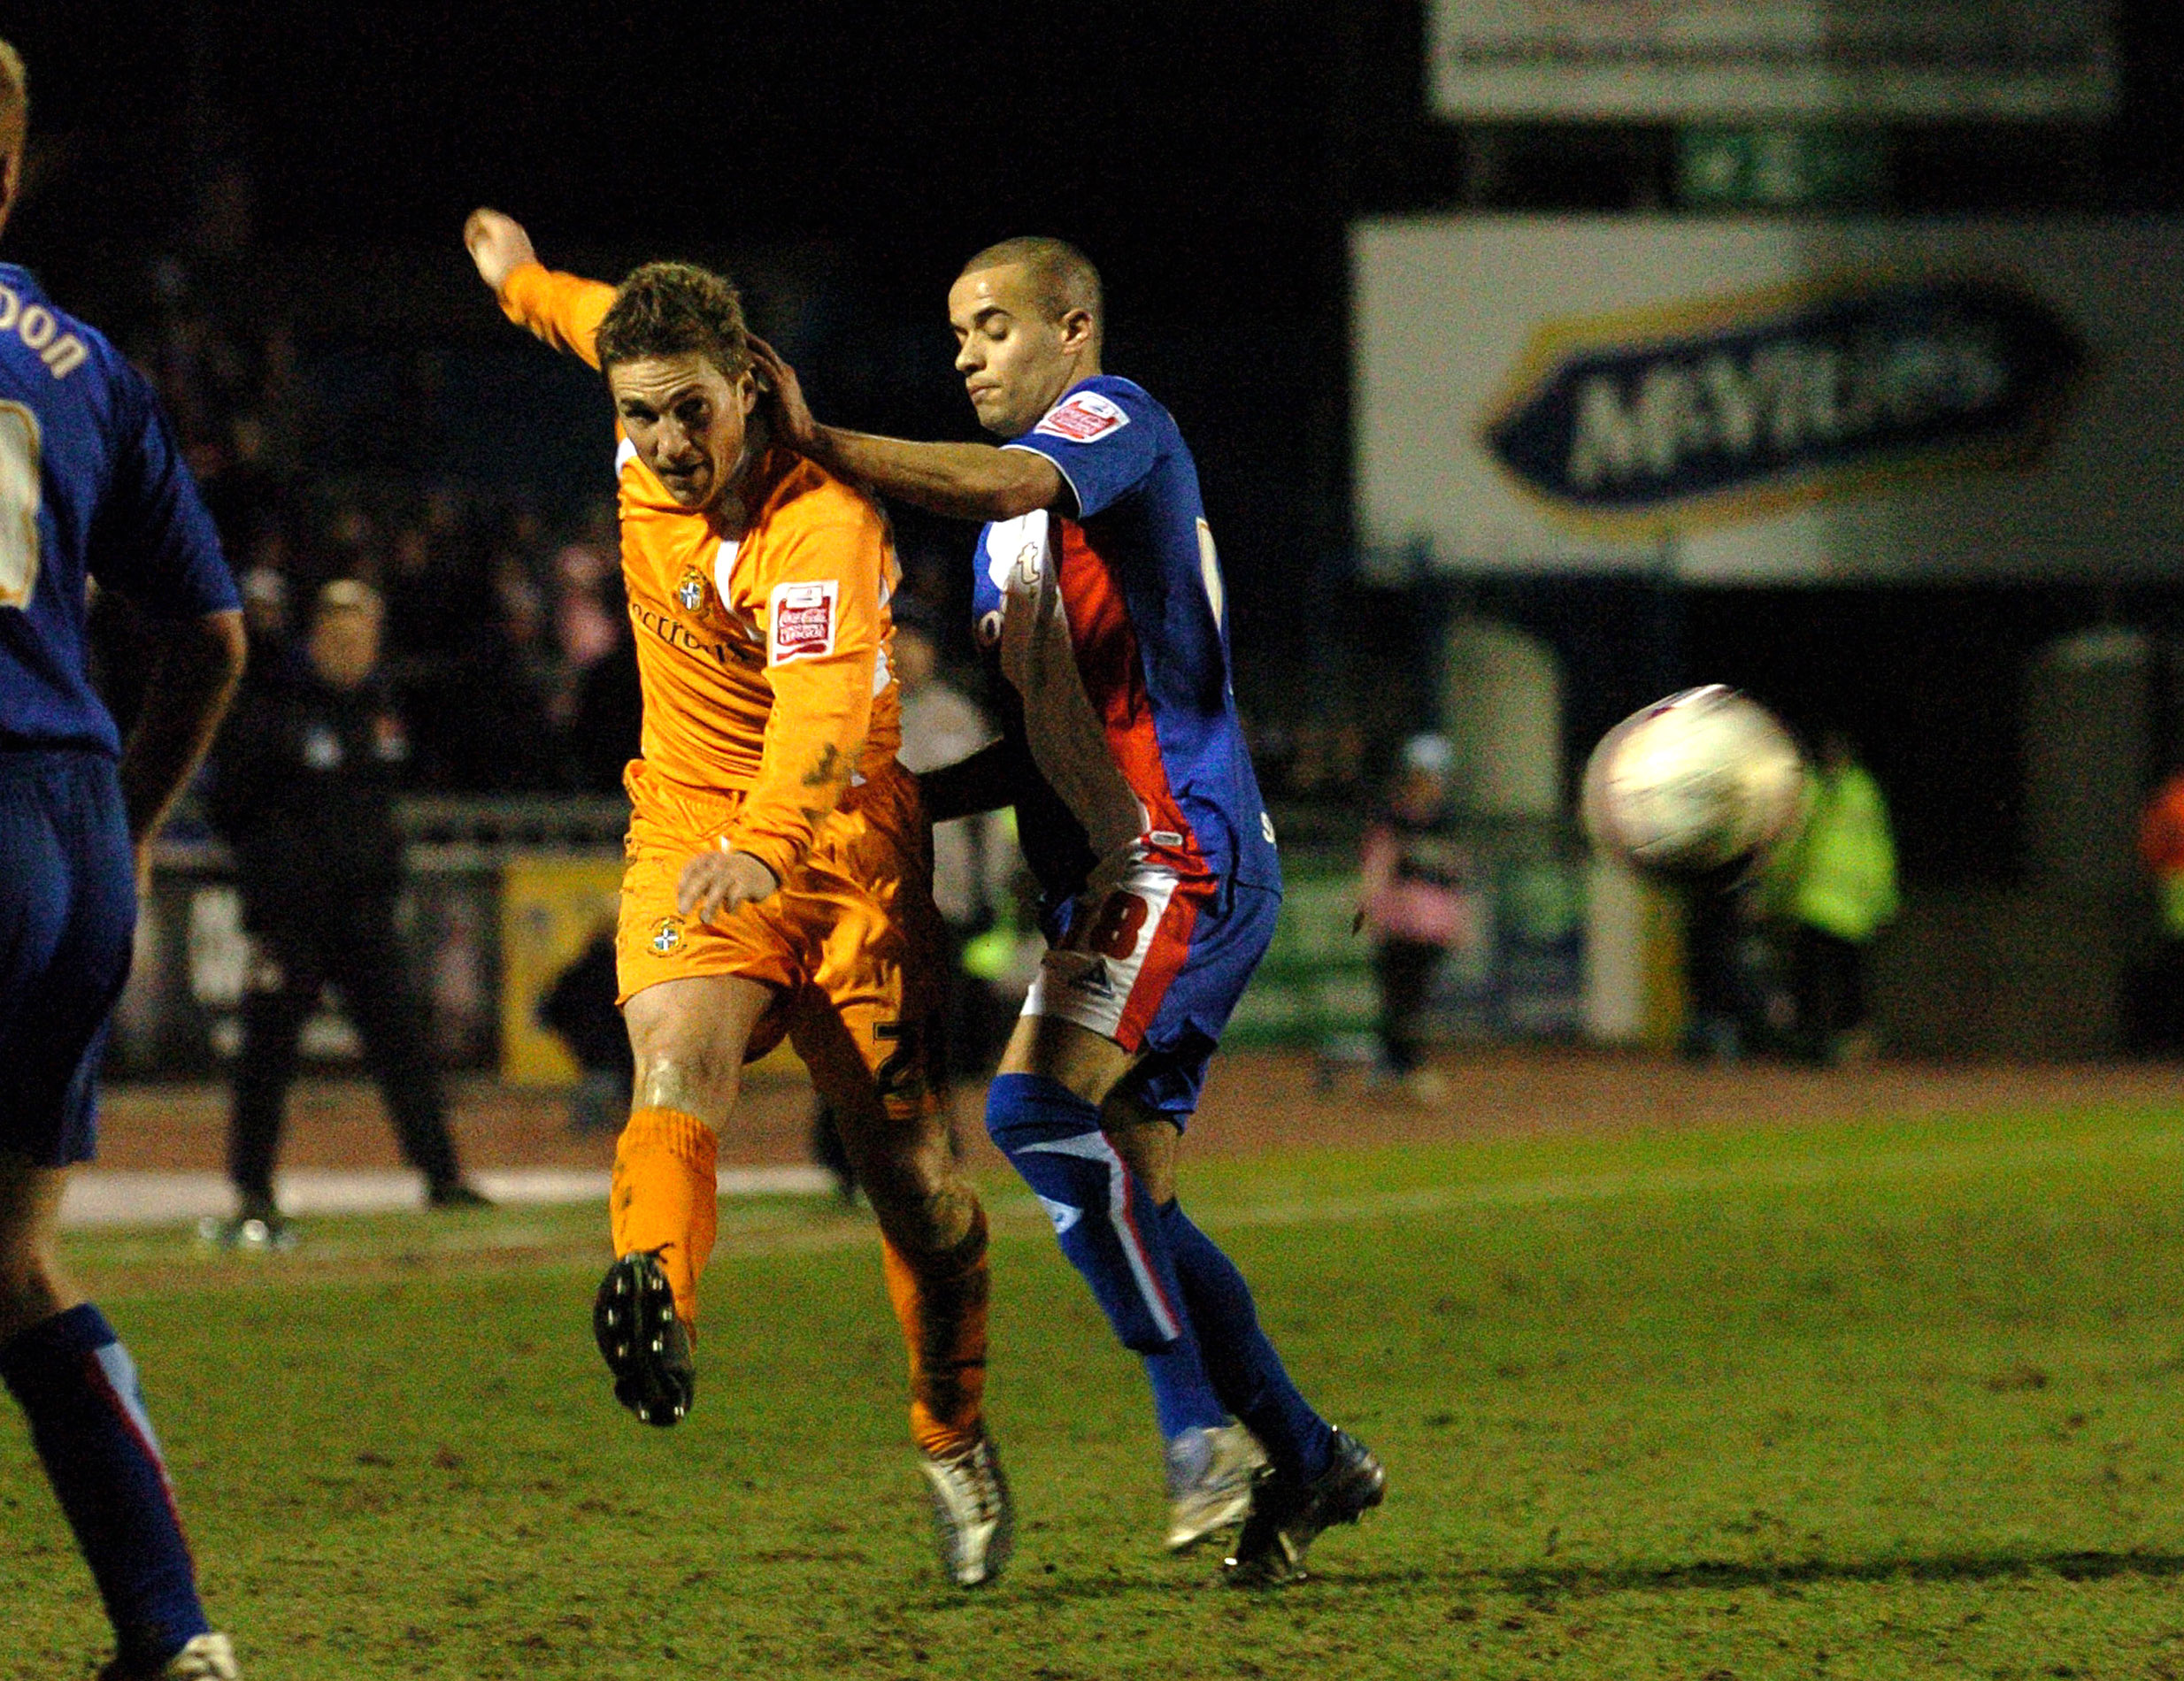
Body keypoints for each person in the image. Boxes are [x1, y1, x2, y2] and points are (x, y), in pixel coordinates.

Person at [751, 235, 1384, 1585]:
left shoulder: (1116, 424)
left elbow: (1003, 480)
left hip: (1175, 853)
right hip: (1118, 866)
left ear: (1073, 329)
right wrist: (911, 802)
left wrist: (817, 440)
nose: (968, 354)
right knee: (1138, 1209)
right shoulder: (1002, 559)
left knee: (1035, 1111)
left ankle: (1195, 1437)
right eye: (958, 332)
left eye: (991, 328)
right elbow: (1056, 736)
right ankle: (1307, 1457)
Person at [464, 210, 1009, 1587]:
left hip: (841, 860)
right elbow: (585, 315)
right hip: (691, 833)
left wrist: (771, 848)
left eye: (687, 414)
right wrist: (517, 278)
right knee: (675, 1054)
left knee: (919, 1193)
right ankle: (659, 1293)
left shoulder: (818, 522)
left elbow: (824, 714)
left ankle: (951, 1431)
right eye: (640, 418)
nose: (661, 445)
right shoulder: (642, 390)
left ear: (751, 383)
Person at [0, 38, 249, 1679]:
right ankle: (171, 1631)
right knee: (9, 1257)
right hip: (75, 819)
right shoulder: (81, 358)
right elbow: (214, 639)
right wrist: (140, 837)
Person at [204, 580, 491, 1246]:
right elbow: (231, 805)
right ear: (317, 637)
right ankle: (252, 1188)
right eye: (341, 634)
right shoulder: (274, 707)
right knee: (267, 1053)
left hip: (363, 912)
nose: (354, 648)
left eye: (364, 635)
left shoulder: (380, 708)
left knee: (403, 1047)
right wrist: (271, 881)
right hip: (292, 916)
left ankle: (442, 1175)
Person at [1767, 728, 1898, 1063]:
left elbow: (1877, 847)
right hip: (1813, 901)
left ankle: (1841, 1042)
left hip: (1848, 907)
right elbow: (1788, 846)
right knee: (1810, 978)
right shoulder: (1812, 788)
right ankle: (1815, 1043)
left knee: (1843, 979)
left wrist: (1884, 900)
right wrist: (1774, 893)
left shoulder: (1860, 791)